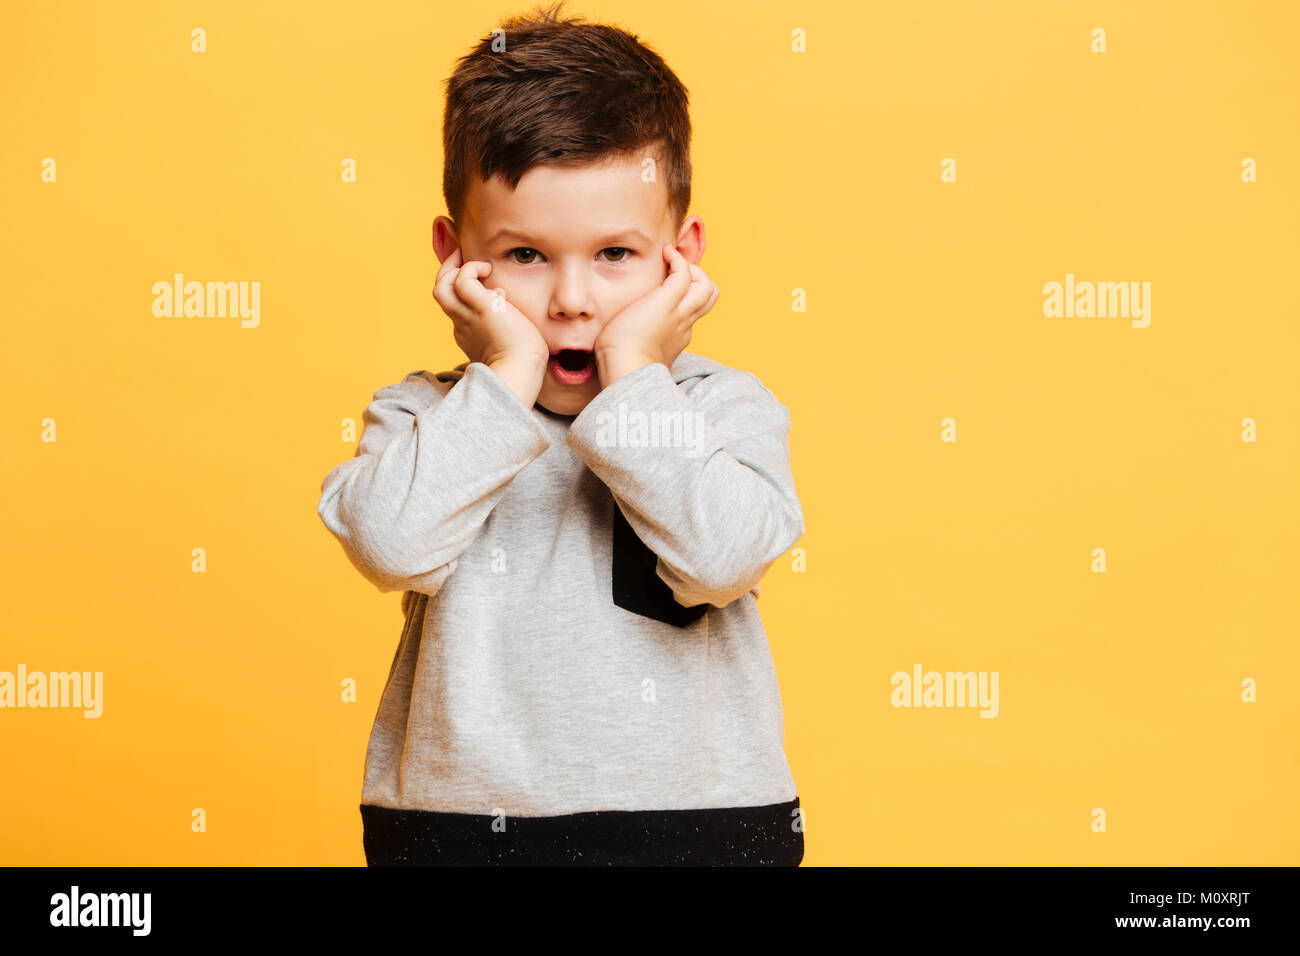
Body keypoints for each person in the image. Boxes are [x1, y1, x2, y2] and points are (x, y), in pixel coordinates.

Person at [317, 0, 806, 865]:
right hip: (458, 833)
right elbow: (391, 545)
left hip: (704, 832)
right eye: (526, 256)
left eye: (615, 254)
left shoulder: (719, 407)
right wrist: (503, 379)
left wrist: (637, 377)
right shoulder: (426, 415)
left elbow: (725, 557)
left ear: (679, 258)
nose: (572, 300)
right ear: (456, 257)